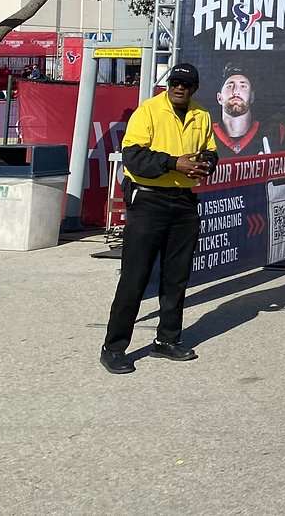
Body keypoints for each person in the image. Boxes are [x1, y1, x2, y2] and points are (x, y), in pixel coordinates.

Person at [100, 62, 218, 375]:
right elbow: (134, 157)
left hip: (184, 203)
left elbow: (210, 151)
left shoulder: (201, 115)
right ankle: (113, 347)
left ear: (194, 89)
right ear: (168, 85)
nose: (180, 88)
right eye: (175, 83)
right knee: (135, 276)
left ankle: (167, 340)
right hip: (148, 200)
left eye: (186, 84)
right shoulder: (148, 111)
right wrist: (173, 164)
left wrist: (205, 163)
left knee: (176, 277)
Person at [212, 63, 285, 156]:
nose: (236, 92)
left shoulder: (275, 133)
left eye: (243, 86)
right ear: (219, 98)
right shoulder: (204, 134)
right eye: (229, 86)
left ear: (252, 97)